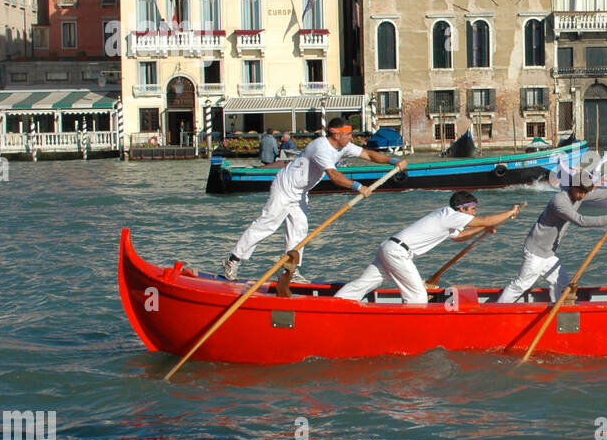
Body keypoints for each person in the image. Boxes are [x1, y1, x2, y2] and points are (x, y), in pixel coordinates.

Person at [220, 118, 406, 283]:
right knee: (267, 226)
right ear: (335, 133)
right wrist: (358, 186)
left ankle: (291, 271)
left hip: (300, 192)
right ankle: (233, 260)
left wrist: (393, 160)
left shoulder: (344, 146)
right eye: (348, 133)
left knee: (299, 229)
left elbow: (368, 154)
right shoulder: (321, 148)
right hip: (284, 189)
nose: (351, 137)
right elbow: (333, 176)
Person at [336, 192, 521, 304]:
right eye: (472, 209)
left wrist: (484, 228)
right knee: (418, 297)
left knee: (365, 284)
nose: (475, 212)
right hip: (398, 253)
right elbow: (487, 220)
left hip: (389, 247)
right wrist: (510, 213)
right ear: (462, 209)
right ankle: (411, 330)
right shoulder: (452, 214)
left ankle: (335, 305)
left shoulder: (446, 216)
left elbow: (460, 237)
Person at [496, 173, 607, 303]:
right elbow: (580, 221)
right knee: (521, 285)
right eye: (581, 192)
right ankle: (497, 310)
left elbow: (603, 194)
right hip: (536, 252)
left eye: (585, 192)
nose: (583, 196)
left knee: (562, 284)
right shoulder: (559, 201)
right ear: (572, 187)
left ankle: (559, 310)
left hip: (548, 253)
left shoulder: (578, 195)